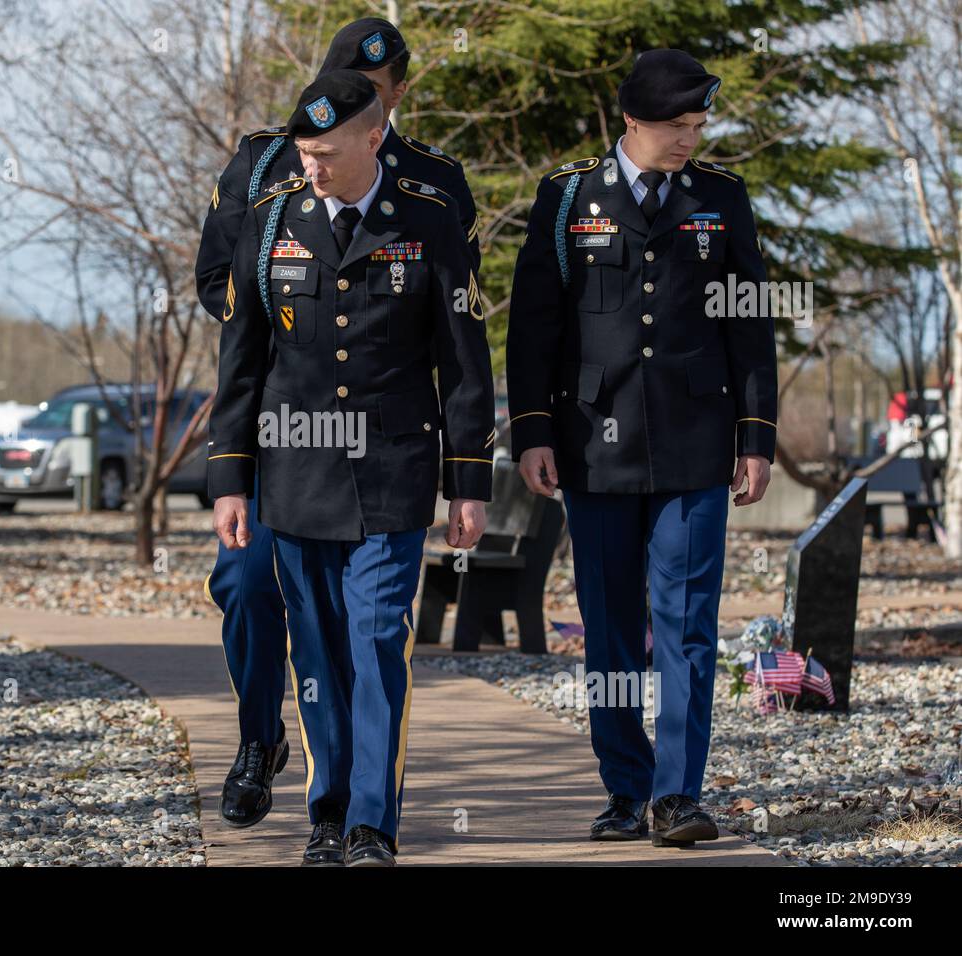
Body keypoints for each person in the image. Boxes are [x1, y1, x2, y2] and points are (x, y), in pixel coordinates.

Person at [194, 17, 479, 831]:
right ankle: (259, 740)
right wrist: (292, 319)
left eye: (385, 90)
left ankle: (362, 814)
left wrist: (466, 471)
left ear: (386, 109)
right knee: (249, 588)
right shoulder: (263, 168)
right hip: (283, 443)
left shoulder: (432, 188)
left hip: (386, 452)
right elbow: (222, 287)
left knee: (372, 631)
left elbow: (451, 322)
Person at [506, 49, 778, 846]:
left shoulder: (721, 196)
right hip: (595, 444)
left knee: (689, 622)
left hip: (696, 444)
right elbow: (534, 325)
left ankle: (677, 796)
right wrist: (532, 431)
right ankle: (625, 790)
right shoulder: (567, 198)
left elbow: (749, 323)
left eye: (698, 124)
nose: (689, 139)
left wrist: (754, 435)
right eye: (674, 126)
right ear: (631, 120)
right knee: (612, 625)